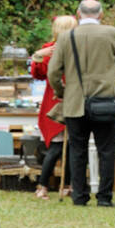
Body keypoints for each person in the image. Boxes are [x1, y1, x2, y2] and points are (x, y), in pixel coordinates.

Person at [46, 0, 115, 207]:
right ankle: (105, 198)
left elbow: (53, 72)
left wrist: (62, 92)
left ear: (78, 14)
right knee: (106, 150)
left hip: (74, 103)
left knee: (77, 151)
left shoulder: (66, 37)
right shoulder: (111, 33)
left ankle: (79, 196)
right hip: (105, 100)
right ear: (100, 14)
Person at [31, 15, 75, 200]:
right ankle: (42, 185)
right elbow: (37, 73)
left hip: (72, 99)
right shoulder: (49, 50)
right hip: (55, 102)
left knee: (73, 147)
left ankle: (68, 185)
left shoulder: (77, 48)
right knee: (56, 147)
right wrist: (41, 56)